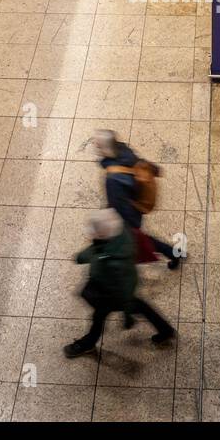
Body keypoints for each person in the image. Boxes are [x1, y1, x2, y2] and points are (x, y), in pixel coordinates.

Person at [64, 209, 175, 358]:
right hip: (116, 289)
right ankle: (166, 330)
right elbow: (95, 250)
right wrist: (82, 257)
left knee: (99, 316)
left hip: (111, 294)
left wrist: (127, 314)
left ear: (102, 235)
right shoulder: (119, 234)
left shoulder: (111, 261)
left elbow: (124, 287)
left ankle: (88, 344)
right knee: (141, 307)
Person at [93, 129, 181, 268]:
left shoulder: (112, 179)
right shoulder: (123, 150)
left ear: (105, 149)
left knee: (140, 240)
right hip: (136, 199)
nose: (94, 145)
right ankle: (174, 253)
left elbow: (119, 205)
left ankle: (174, 253)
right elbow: (139, 162)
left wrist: (129, 226)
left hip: (128, 214)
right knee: (141, 239)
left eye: (97, 144)